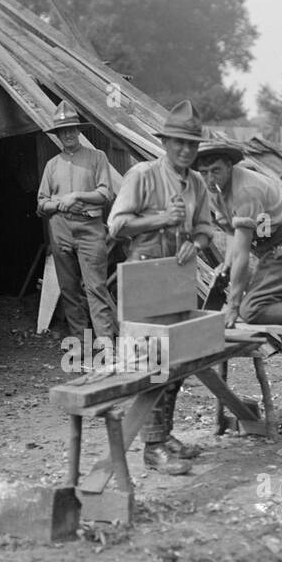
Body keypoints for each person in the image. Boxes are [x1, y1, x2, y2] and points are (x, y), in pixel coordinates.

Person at [194, 139, 282, 419]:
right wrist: (225, 264)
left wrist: (234, 304)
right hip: (275, 248)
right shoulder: (214, 189)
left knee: (253, 308)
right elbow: (230, 235)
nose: (210, 178)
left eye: (216, 171)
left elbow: (244, 253)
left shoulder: (245, 189)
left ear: (229, 166)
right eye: (204, 173)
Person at [108, 100, 215, 475]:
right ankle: (152, 446)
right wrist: (159, 219)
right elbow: (116, 224)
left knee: (178, 359)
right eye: (178, 143)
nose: (185, 150)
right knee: (152, 362)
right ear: (165, 143)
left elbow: (206, 228)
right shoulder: (142, 175)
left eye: (192, 145)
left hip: (177, 277)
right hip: (143, 274)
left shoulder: (198, 183)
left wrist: (196, 243)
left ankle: (164, 435)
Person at [36, 102, 117, 351]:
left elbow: (106, 192)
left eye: (71, 130)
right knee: (68, 287)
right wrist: (60, 203)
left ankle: (106, 344)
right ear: (58, 136)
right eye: (63, 132)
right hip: (60, 229)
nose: (68, 135)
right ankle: (81, 343)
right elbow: (41, 203)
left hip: (90, 228)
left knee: (96, 286)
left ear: (79, 132)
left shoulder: (96, 158)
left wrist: (78, 196)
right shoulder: (52, 165)